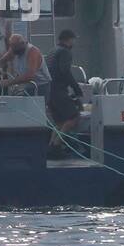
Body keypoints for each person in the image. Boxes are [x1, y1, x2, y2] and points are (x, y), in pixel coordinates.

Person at [46, 30, 82, 158]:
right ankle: (56, 146)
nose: (74, 42)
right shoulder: (65, 52)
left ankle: (51, 148)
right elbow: (65, 72)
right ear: (68, 39)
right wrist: (76, 88)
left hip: (48, 91)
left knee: (60, 122)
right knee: (73, 118)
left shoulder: (52, 51)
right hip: (58, 91)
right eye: (73, 39)